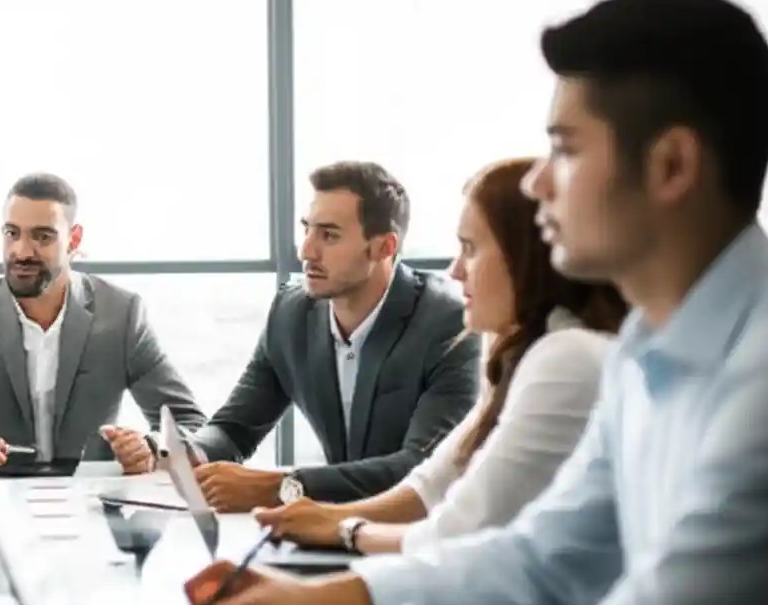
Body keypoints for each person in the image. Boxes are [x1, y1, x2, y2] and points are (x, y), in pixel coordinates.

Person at [134, 0, 768, 605]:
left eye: (565, 150)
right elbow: (541, 562)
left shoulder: (757, 390)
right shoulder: (641, 355)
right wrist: (319, 604)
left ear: (672, 165)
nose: (535, 188)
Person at [253, 157, 626, 556]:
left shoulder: (566, 357)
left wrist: (342, 528)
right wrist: (323, 519)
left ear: (525, 258)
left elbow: (455, 528)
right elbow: (430, 487)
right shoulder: (517, 354)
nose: (455, 271)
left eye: (470, 248)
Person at [182, 162, 480, 511]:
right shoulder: (291, 313)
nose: (305, 251)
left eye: (329, 235)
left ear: (384, 247)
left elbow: (422, 470)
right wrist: (189, 451)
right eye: (307, 229)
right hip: (332, 528)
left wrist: (284, 487)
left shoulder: (448, 323)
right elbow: (235, 428)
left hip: (416, 536)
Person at [0, 173, 205, 471]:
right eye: (12, 234)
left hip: (91, 503)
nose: (22, 251)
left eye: (43, 237)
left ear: (74, 240)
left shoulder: (121, 314)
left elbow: (192, 423)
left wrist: (150, 447)